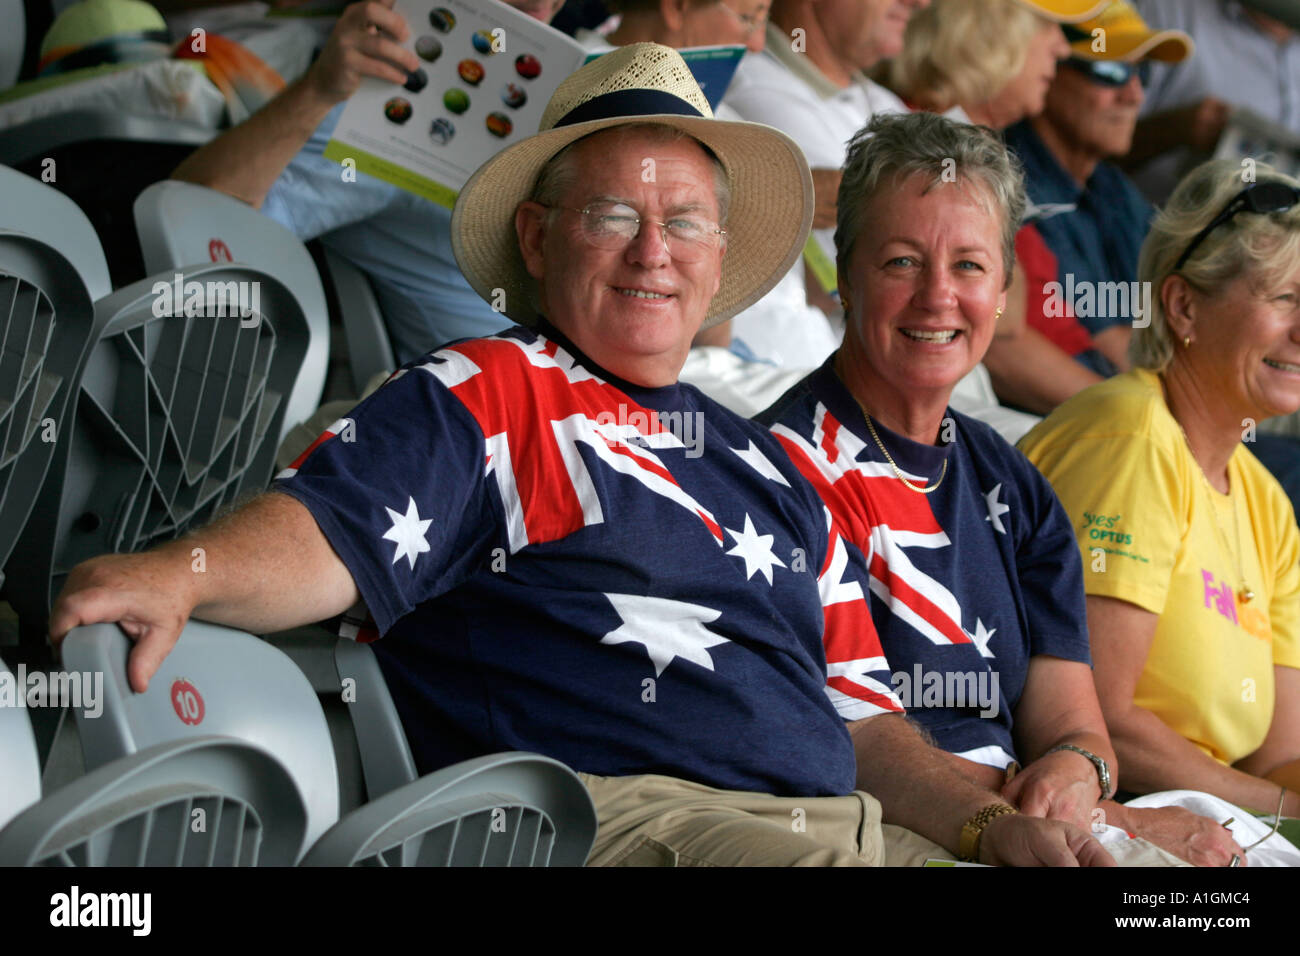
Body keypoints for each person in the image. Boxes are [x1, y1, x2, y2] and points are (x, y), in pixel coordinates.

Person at [51, 44, 1113, 867]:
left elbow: (869, 727)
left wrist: (984, 827)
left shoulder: (765, 467)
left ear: (716, 265)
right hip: (621, 818)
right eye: (615, 215)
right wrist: (179, 571)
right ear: (536, 237)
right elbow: (328, 531)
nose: (655, 252)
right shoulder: (489, 388)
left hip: (832, 826)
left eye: (686, 225)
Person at [760, 110, 1246, 866]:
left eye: (969, 267)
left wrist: (1079, 770)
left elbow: (1081, 729)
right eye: (900, 262)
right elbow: (835, 739)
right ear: (845, 275)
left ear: (1004, 291)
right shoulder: (779, 470)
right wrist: (1097, 813)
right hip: (887, 832)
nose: (936, 298)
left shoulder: (1011, 482)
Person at [1019, 159, 1300, 826]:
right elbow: (1101, 718)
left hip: (1223, 820)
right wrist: (1286, 810)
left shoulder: (1267, 502)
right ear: (1182, 305)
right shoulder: (1133, 435)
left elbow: (1279, 754)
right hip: (1110, 815)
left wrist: (1284, 800)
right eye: (1285, 298)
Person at [170, 0, 566, 366]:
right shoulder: (388, 115)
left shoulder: (570, 87)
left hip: (594, 401)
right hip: (499, 413)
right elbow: (194, 221)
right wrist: (319, 91)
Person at [1004, 0, 1192, 376]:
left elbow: (1177, 316)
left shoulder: (1111, 185)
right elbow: (1111, 345)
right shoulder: (1009, 175)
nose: (1134, 95)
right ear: (1049, 67)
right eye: (1112, 70)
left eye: (1142, 73)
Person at [1127, 0, 1300, 204]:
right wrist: (1172, 130)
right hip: (1152, 224)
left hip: (1270, 230)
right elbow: (1089, 142)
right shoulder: (1167, 12)